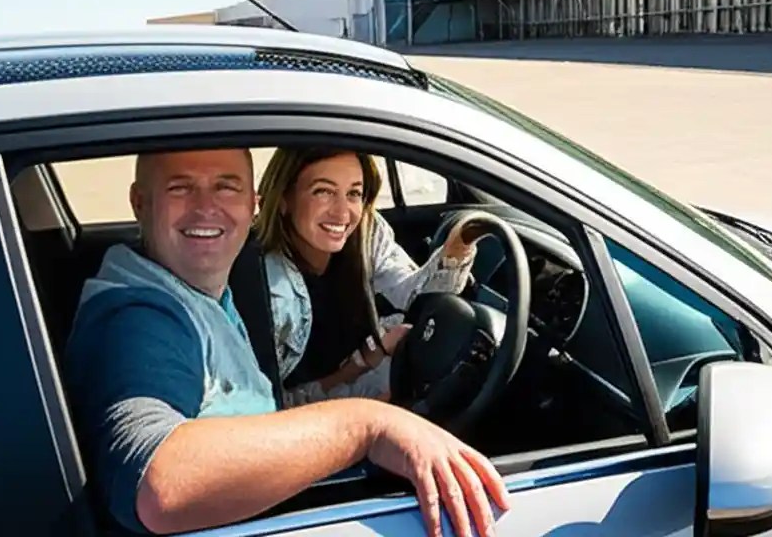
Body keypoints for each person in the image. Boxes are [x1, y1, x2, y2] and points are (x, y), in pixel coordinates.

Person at [63, 148, 509, 537]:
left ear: (253, 204)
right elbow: (158, 483)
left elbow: (417, 294)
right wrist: (368, 424)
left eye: (226, 187)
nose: (206, 209)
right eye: (181, 188)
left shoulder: (202, 290)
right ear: (140, 203)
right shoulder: (139, 316)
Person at [254, 147, 478, 406]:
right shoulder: (268, 287)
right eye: (323, 192)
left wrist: (459, 246)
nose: (342, 213)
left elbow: (417, 297)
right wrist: (362, 366)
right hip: (318, 417)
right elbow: (272, 407)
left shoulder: (366, 233)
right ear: (283, 198)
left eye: (354, 194)